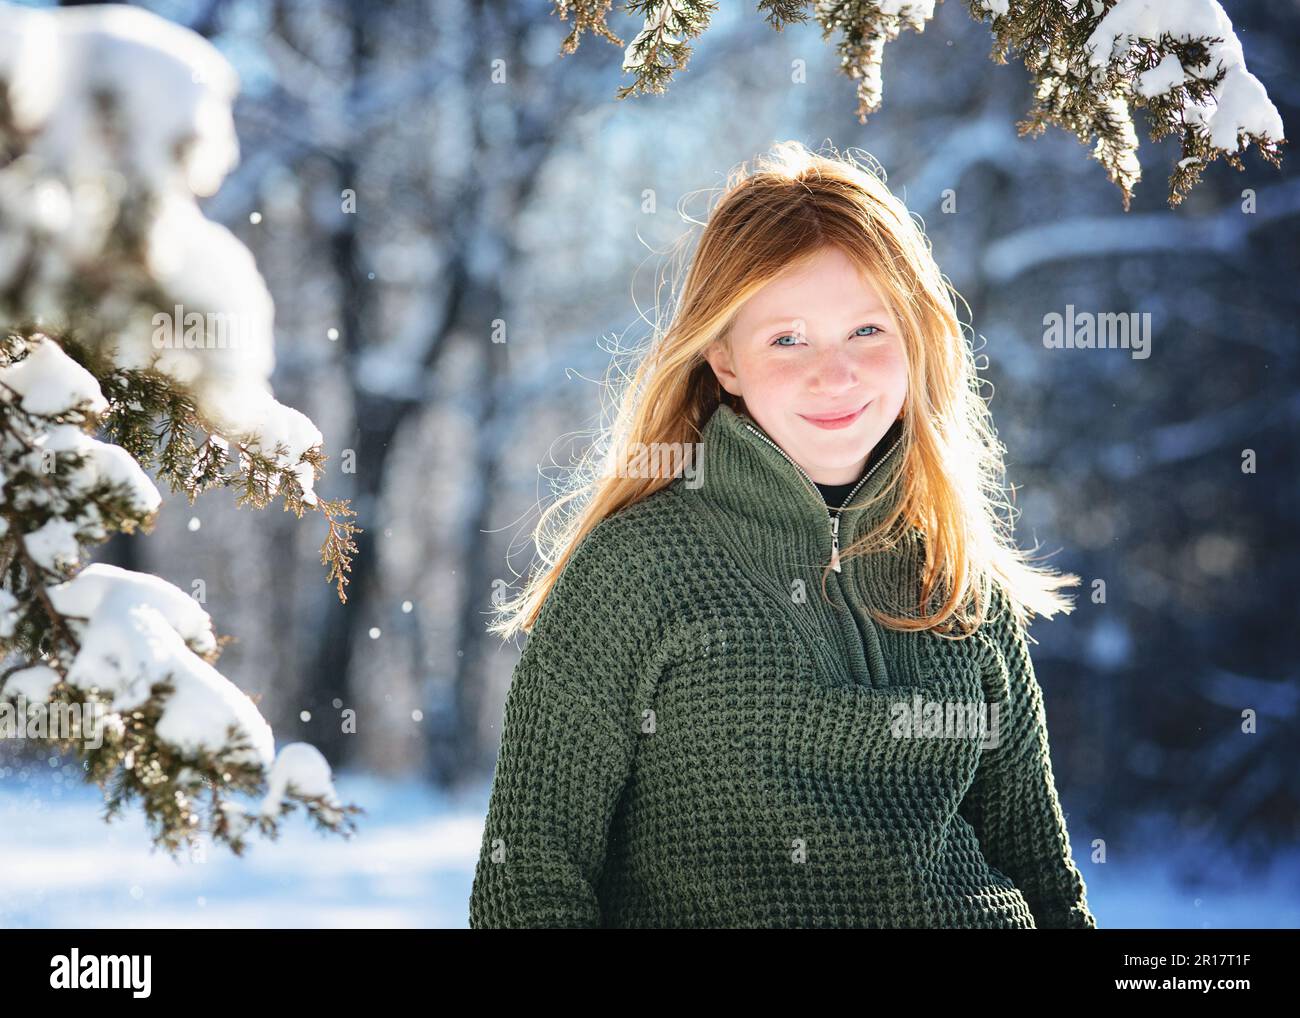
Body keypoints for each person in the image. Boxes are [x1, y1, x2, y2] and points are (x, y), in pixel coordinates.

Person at [469, 140, 1098, 929]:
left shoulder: (956, 573)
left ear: (915, 339)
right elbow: (526, 880)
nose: (834, 374)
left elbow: (1044, 877)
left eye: (868, 330)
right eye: (788, 339)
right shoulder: (634, 572)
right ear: (724, 359)